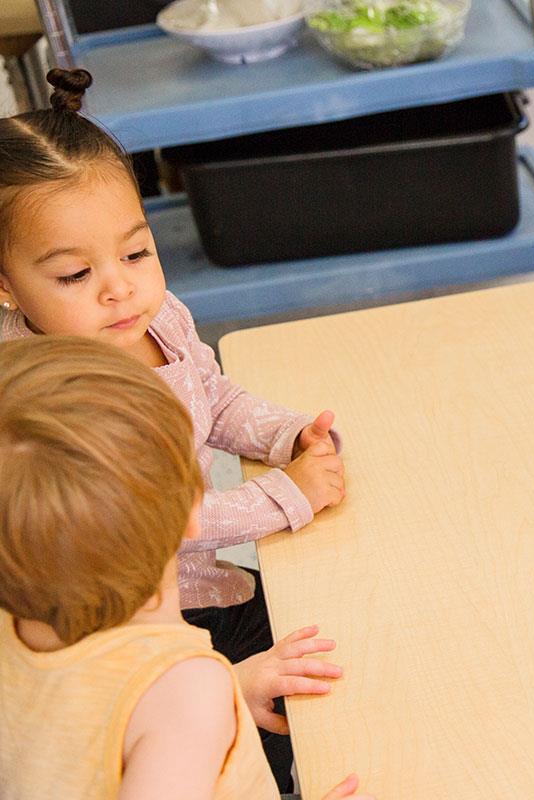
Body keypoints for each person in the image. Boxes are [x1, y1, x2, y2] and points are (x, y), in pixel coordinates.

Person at [0, 68, 345, 790]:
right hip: (139, 619)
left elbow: (210, 397)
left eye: (135, 252)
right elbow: (165, 524)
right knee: (317, 695)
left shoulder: (154, 318)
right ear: (6, 285)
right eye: (73, 274)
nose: (119, 287)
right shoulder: (49, 405)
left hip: (195, 594)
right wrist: (288, 497)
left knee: (322, 632)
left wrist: (285, 436)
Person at [0, 336, 371, 799]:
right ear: (194, 509)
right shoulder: (185, 693)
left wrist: (233, 685)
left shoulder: (21, 619)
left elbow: (84, 718)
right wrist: (201, 700)